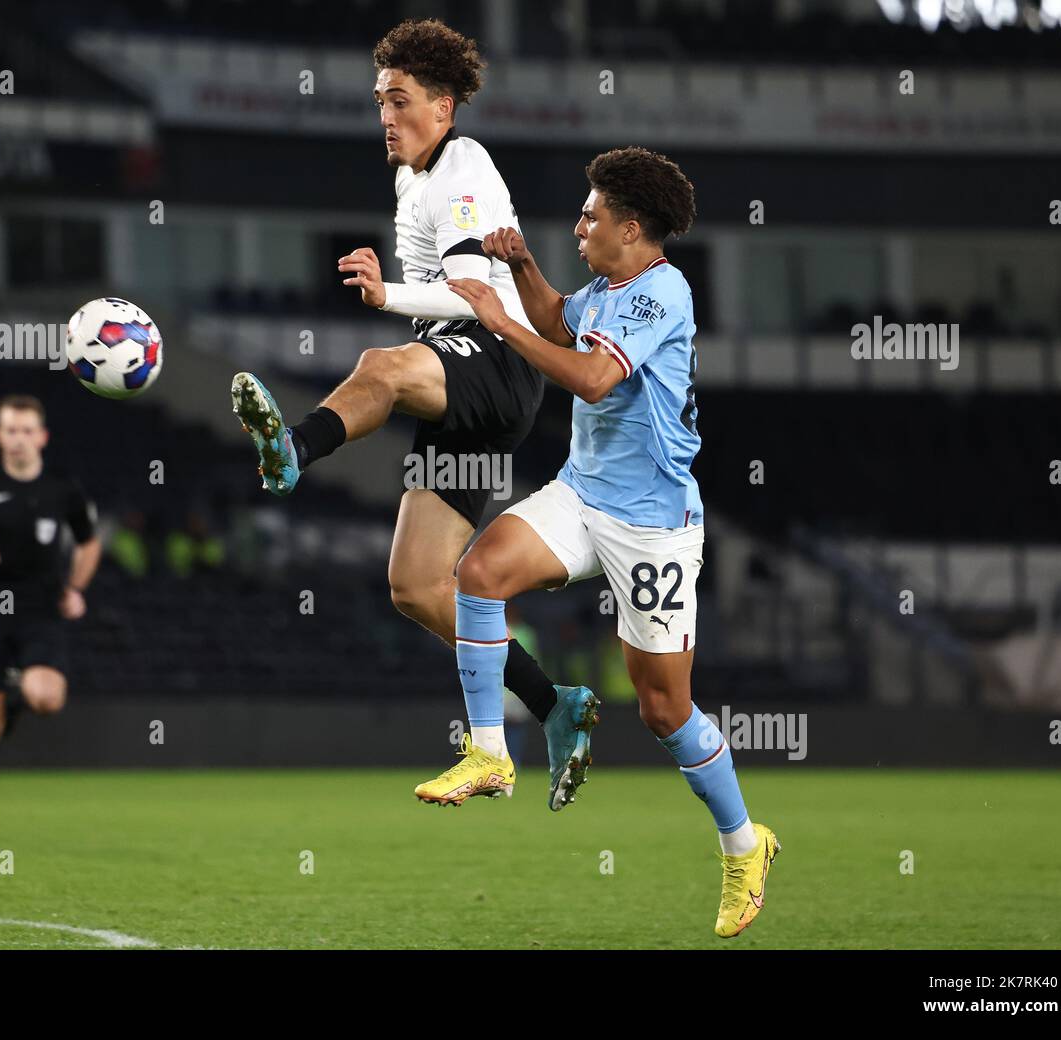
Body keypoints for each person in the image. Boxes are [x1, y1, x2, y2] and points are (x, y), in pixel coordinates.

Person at [230, 19, 596, 809]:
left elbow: (474, 296)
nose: (385, 117)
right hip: (462, 381)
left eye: (399, 101)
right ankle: (554, 704)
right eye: (378, 102)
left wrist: (385, 293)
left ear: (444, 106)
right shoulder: (411, 177)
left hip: (496, 363)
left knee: (380, 369)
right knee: (418, 585)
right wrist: (394, 292)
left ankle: (291, 451)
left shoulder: (462, 170)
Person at [440, 146, 781, 937]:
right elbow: (562, 320)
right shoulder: (611, 287)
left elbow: (593, 379)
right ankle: (490, 751)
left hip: (653, 524)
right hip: (582, 493)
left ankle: (743, 845)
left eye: (592, 214)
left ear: (632, 228)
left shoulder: (663, 291)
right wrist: (523, 271)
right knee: (480, 571)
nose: (580, 223)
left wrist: (496, 318)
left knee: (664, 711)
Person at [0, 395, 100, 838]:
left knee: (47, 698)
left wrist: (76, 589)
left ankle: (16, 693)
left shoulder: (62, 488)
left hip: (41, 609)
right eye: (11, 430)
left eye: (27, 430)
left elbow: (89, 544)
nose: (19, 439)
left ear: (42, 437)